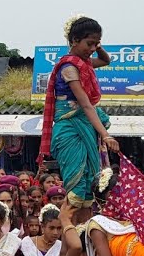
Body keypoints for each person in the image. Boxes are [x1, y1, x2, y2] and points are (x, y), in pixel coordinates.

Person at [38, 15, 119, 209]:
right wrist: (106, 135)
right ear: (74, 40)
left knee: (88, 189)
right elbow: (85, 105)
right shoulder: (69, 68)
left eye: (96, 44)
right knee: (76, 189)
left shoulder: (85, 63)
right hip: (70, 127)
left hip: (83, 123)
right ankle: (67, 226)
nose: (92, 49)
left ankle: (81, 233)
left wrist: (97, 46)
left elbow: (105, 60)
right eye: (89, 43)